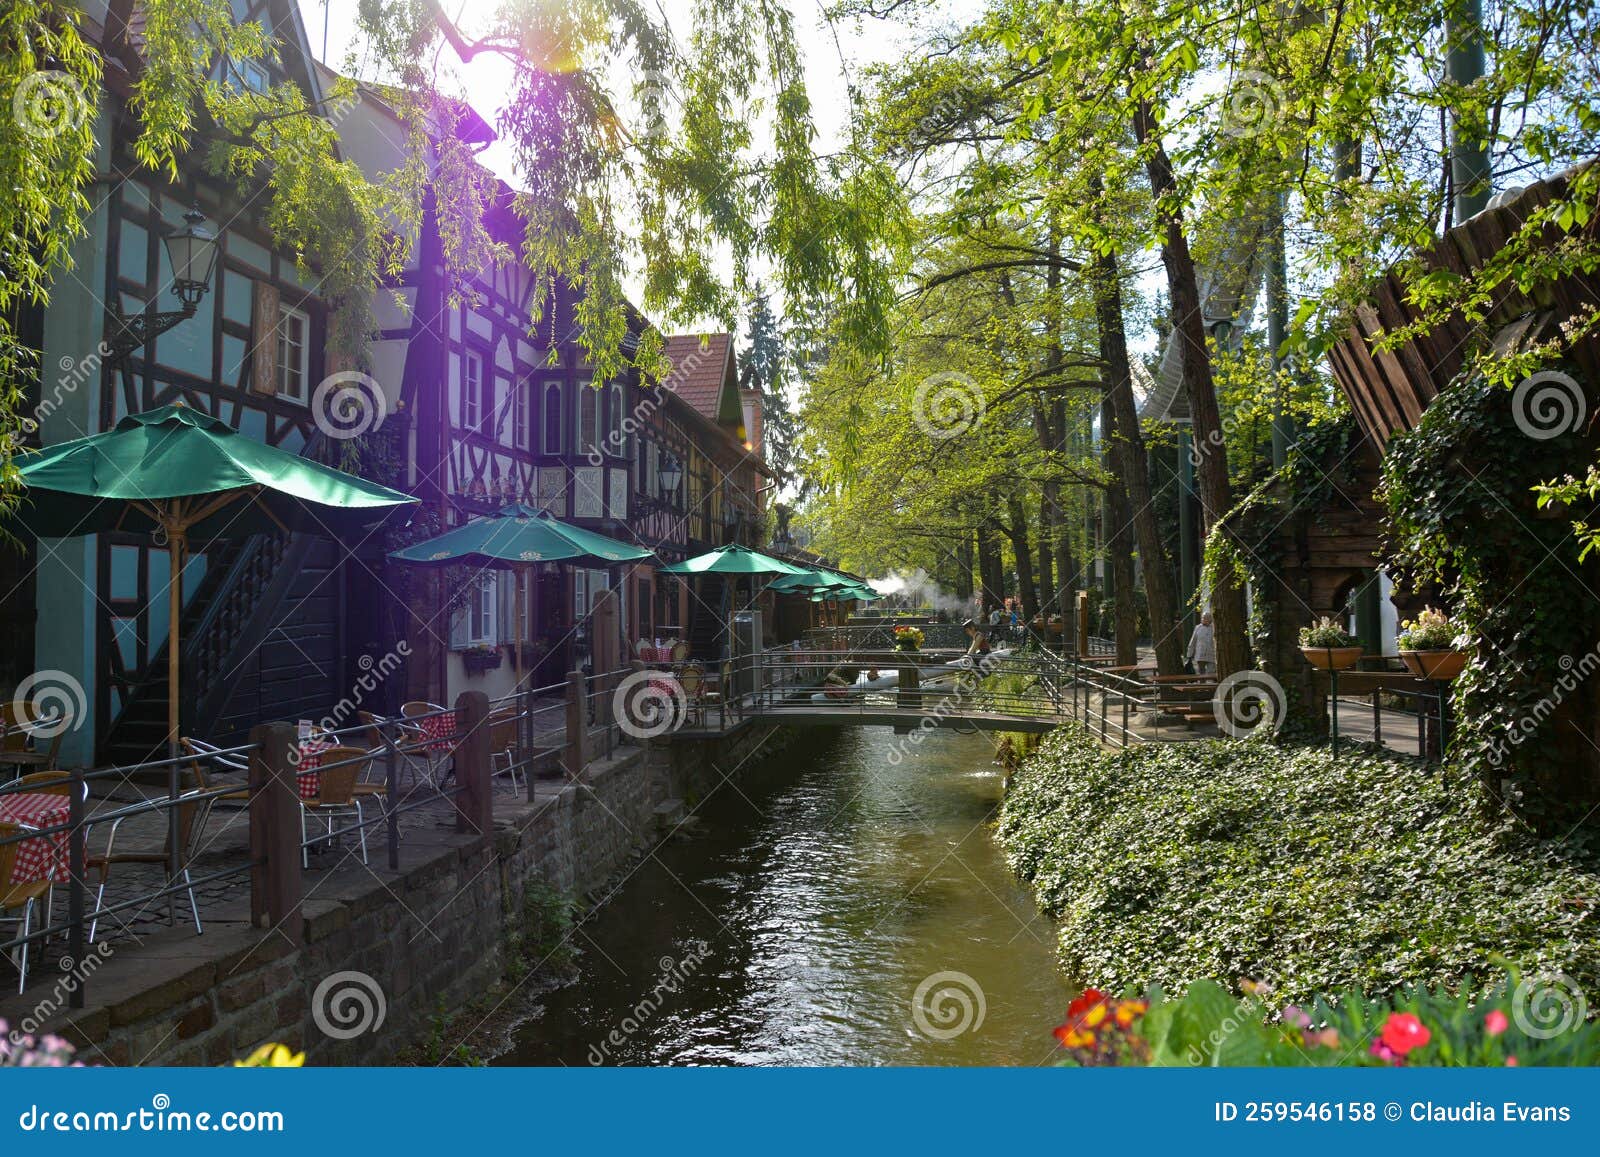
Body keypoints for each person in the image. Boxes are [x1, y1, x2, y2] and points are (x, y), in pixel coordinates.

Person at [1185, 612, 1216, 676]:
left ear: (1210, 619)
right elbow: (1193, 641)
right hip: (1200, 655)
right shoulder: (1198, 628)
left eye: (1206, 618)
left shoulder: (1214, 628)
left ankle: (1210, 685)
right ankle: (1202, 684)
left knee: (1211, 673)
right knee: (1201, 673)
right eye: (1203, 617)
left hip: (1211, 654)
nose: (1203, 619)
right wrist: (1189, 654)